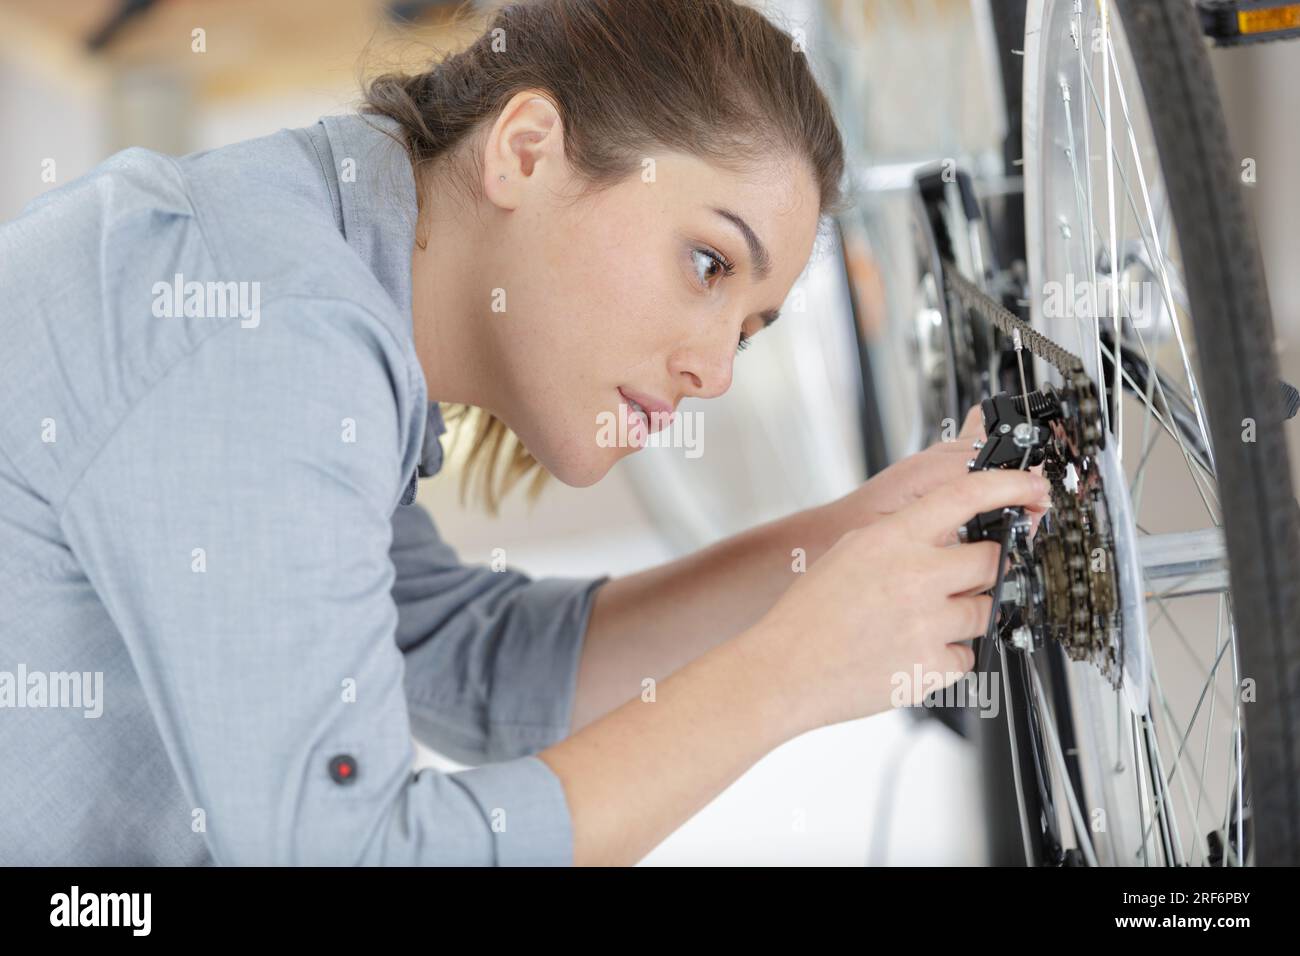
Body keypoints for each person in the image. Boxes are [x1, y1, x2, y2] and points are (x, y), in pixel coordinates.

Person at [0, 0, 1049, 866]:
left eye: (749, 327)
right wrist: (790, 672)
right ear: (526, 150)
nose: (717, 370)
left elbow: (466, 658)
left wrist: (847, 534)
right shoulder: (273, 330)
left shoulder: (317, 272)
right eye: (706, 263)